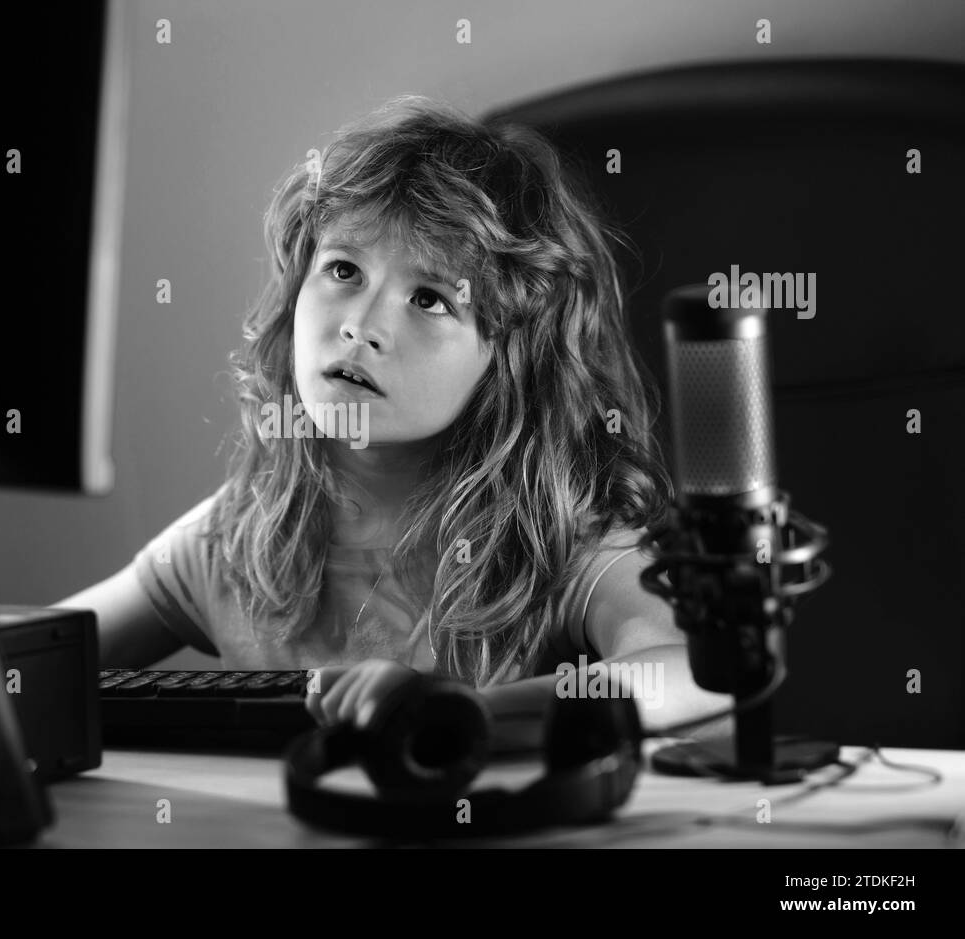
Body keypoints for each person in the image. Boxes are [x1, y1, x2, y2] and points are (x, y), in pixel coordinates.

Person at [56, 95, 732, 751]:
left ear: (511, 362)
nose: (363, 324)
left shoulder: (563, 537)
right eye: (344, 269)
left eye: (430, 298)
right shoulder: (238, 535)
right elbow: (25, 656)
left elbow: (692, 672)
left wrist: (454, 714)